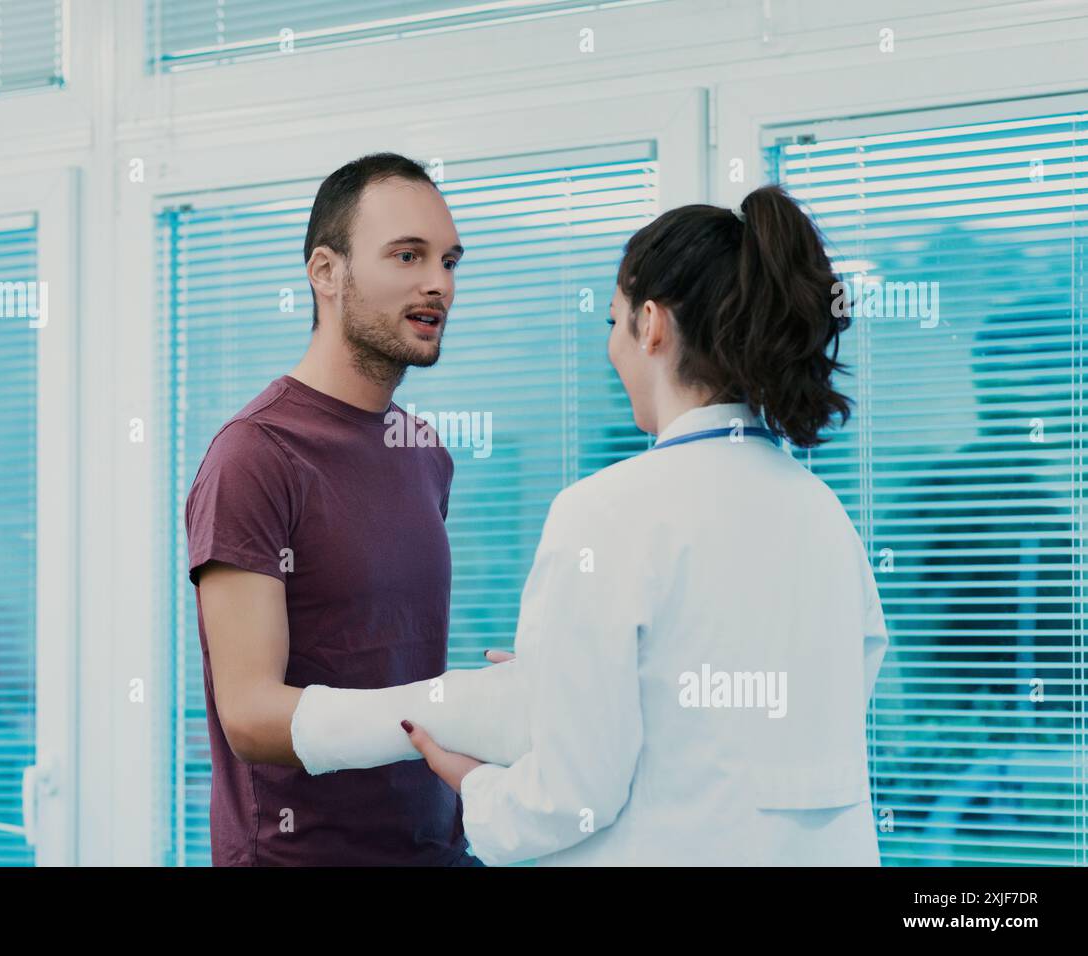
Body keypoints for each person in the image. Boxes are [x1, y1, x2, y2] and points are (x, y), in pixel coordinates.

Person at [291, 185, 891, 866]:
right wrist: (580, 673)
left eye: (614, 320)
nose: (611, 345)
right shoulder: (823, 514)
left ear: (652, 325)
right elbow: (792, 709)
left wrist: (477, 786)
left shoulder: (605, 513)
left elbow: (568, 798)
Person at [185, 152, 518, 866]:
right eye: (407, 255)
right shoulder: (254, 455)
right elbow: (249, 714)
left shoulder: (425, 453)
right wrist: (454, 705)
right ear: (326, 272)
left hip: (435, 850)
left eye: (449, 261)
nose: (439, 283)